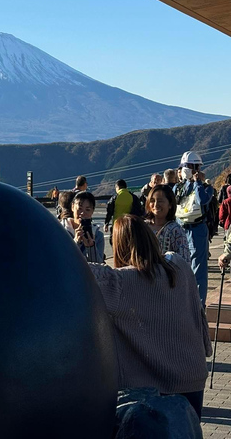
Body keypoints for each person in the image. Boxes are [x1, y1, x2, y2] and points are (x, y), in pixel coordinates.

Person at [90, 215, 211, 420]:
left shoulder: (120, 283)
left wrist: (78, 244)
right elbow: (197, 312)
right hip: (192, 378)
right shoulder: (179, 267)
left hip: (147, 389)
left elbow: (81, 271)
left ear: (120, 246)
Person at [175, 150, 214, 305]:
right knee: (180, 266)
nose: (185, 169)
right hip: (181, 227)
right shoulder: (180, 187)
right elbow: (175, 200)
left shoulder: (206, 187)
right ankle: (183, 302)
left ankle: (198, 305)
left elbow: (202, 200)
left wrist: (197, 182)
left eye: (188, 166)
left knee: (198, 269)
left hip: (197, 229)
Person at [145, 184, 190, 262]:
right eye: (152, 201)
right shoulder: (142, 227)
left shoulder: (176, 230)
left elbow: (184, 262)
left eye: (160, 201)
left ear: (170, 205)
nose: (156, 205)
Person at [61, 191, 104, 263]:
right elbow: (60, 260)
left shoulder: (98, 236)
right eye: (79, 208)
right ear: (72, 207)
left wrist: (91, 247)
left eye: (87, 210)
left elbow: (99, 267)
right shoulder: (61, 231)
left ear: (92, 211)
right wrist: (75, 242)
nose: (83, 213)